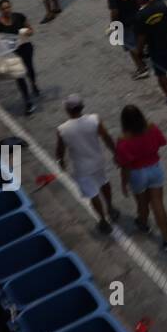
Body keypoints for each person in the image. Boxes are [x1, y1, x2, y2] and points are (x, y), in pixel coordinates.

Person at [55, 94, 119, 234]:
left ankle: (102, 220)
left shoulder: (62, 129)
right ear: (82, 107)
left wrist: (61, 162)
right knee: (104, 183)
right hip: (97, 160)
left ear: (67, 110)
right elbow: (107, 137)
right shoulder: (94, 120)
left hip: (81, 167)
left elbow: (60, 151)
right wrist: (115, 153)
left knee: (93, 194)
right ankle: (110, 208)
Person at [114, 104, 167, 251]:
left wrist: (123, 183)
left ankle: (143, 224)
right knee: (158, 203)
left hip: (137, 173)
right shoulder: (151, 128)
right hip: (155, 168)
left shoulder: (123, 140)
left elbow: (125, 166)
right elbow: (162, 142)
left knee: (142, 203)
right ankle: (166, 238)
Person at [0, 0, 40, 114]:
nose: (6, 10)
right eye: (3, 8)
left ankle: (33, 84)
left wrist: (27, 32)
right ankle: (27, 101)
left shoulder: (19, 16)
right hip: (12, 53)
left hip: (25, 48)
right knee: (19, 75)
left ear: (11, 7)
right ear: (0, 10)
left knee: (29, 70)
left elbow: (31, 30)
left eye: (8, 7)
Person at [108, 0, 149, 80]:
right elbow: (139, 1)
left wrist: (114, 25)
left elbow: (115, 12)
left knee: (131, 46)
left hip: (125, 23)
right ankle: (144, 56)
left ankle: (142, 69)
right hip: (137, 19)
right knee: (140, 40)